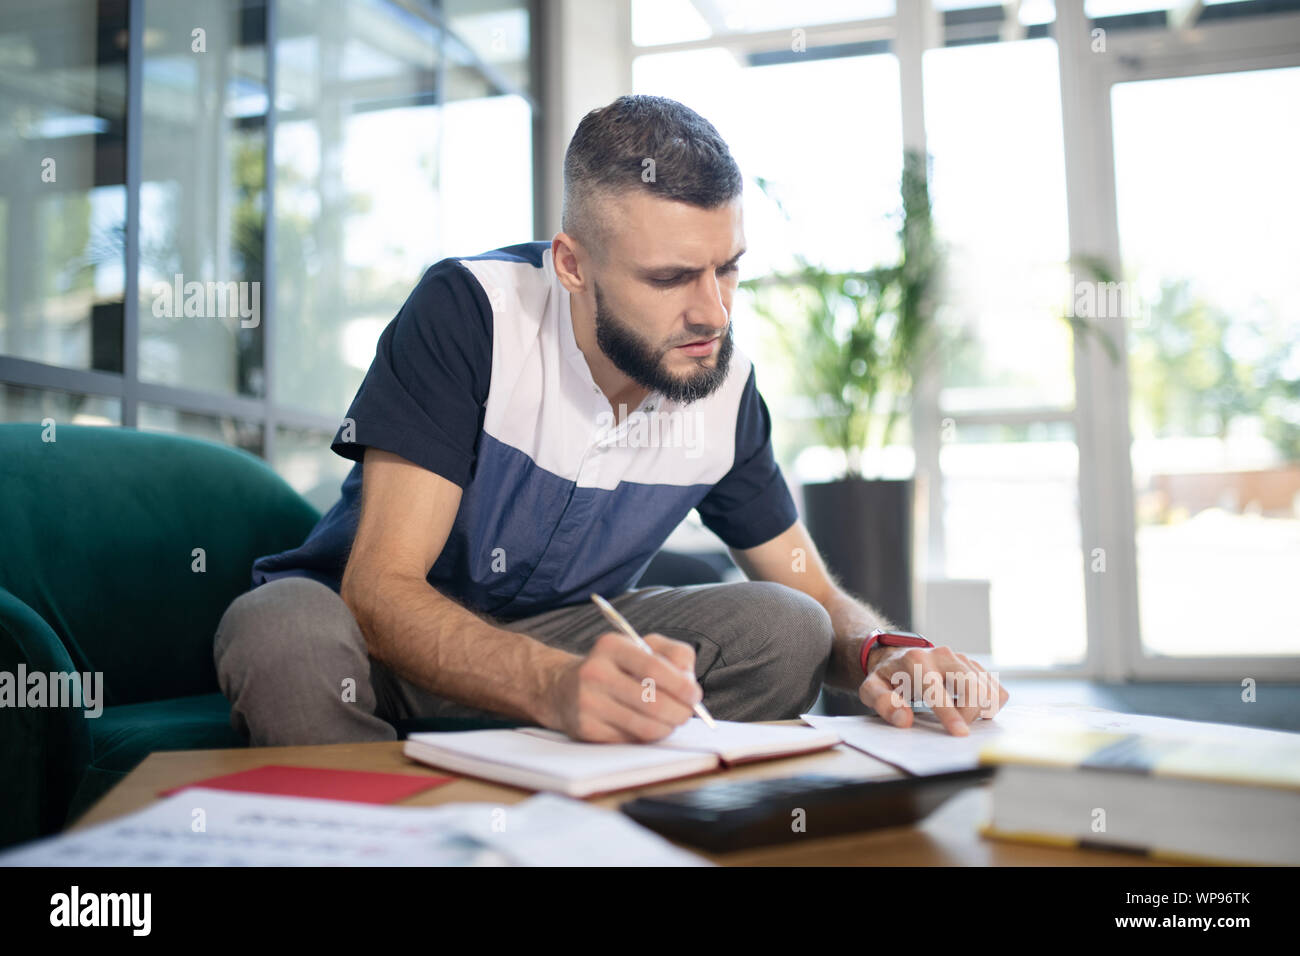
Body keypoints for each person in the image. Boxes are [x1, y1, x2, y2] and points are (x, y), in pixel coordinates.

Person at [214, 94, 1007, 746]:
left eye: (727, 269)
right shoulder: (471, 314)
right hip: (376, 647)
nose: (713, 312)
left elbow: (812, 591)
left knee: (789, 625)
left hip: (566, 649)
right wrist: (549, 685)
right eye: (670, 278)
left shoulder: (721, 383)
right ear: (571, 265)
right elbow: (382, 590)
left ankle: (621, 809)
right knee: (278, 629)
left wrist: (886, 650)